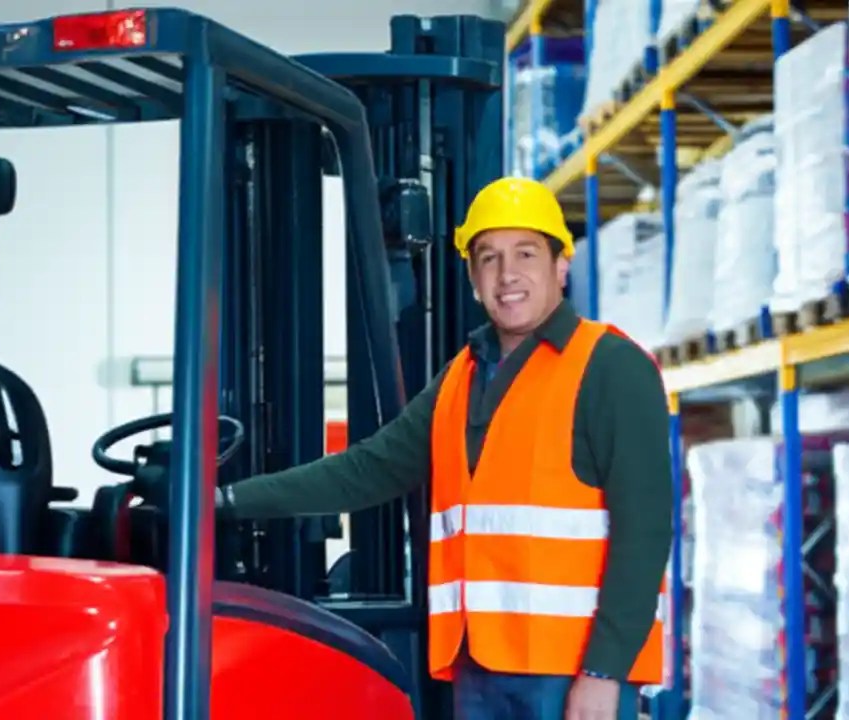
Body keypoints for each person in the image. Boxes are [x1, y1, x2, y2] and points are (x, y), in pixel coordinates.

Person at [214, 177, 673, 720]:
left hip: (568, 671)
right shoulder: (462, 375)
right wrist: (223, 500)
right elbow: (366, 470)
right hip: (477, 664)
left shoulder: (610, 366)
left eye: (525, 253)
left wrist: (605, 672)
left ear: (560, 265)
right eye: (488, 258)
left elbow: (644, 533)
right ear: (473, 277)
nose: (507, 276)